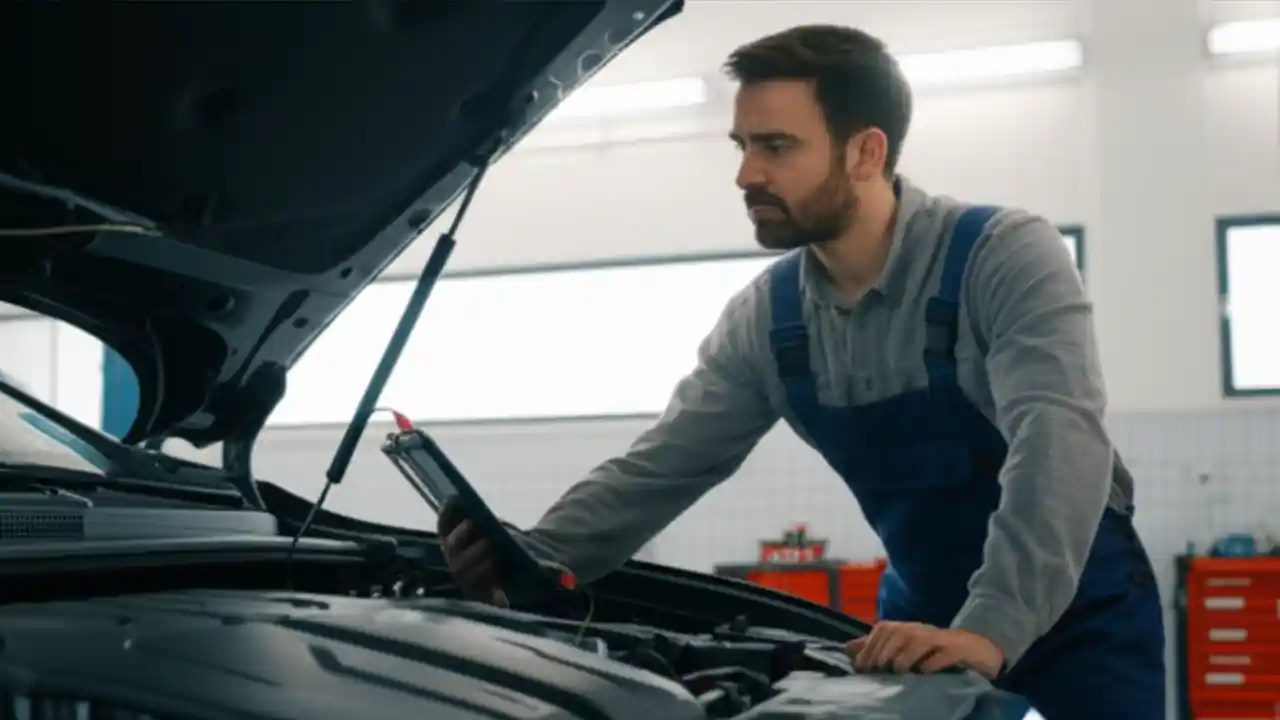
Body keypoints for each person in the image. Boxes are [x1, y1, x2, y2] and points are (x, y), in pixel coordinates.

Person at [440, 23, 1165, 719]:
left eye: (776, 147)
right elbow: (662, 467)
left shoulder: (1002, 255)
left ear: (865, 152)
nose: (746, 173)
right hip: (918, 620)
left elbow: (1058, 440)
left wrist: (992, 628)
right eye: (743, 145)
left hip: (1078, 610)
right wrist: (531, 561)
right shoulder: (769, 317)